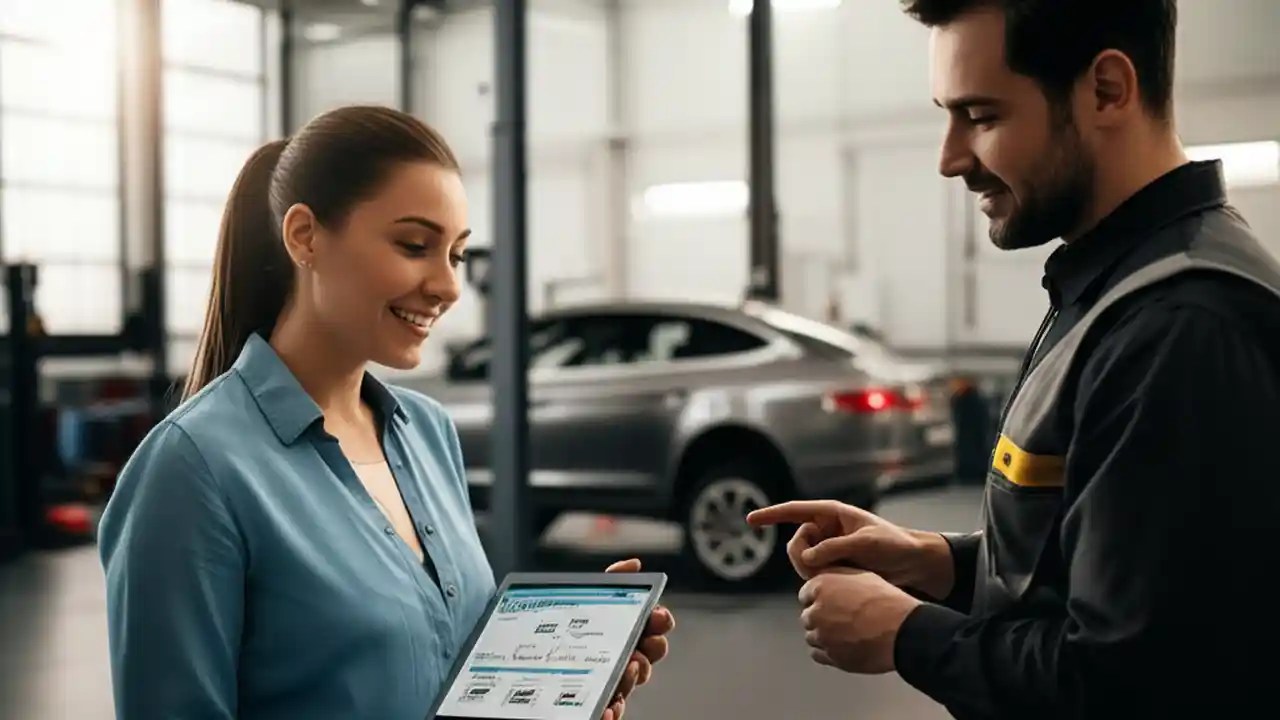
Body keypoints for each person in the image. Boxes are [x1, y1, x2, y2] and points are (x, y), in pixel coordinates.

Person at [748, 0, 1280, 717]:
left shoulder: (1178, 332)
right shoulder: (1111, 287)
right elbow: (1098, 566)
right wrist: (937, 562)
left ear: (1107, 91)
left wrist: (907, 634)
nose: (950, 158)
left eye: (982, 116)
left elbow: (1130, 685)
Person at [98, 105, 673, 720]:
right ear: (305, 237)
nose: (449, 286)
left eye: (455, 253)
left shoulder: (427, 434)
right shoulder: (192, 470)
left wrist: (561, 681)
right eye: (414, 245)